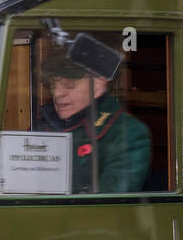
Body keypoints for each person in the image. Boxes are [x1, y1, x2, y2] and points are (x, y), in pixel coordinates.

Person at [35, 54, 151, 194]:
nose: (58, 93)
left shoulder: (126, 133)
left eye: (69, 84)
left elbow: (107, 205)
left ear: (97, 85)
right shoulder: (40, 125)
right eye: (53, 85)